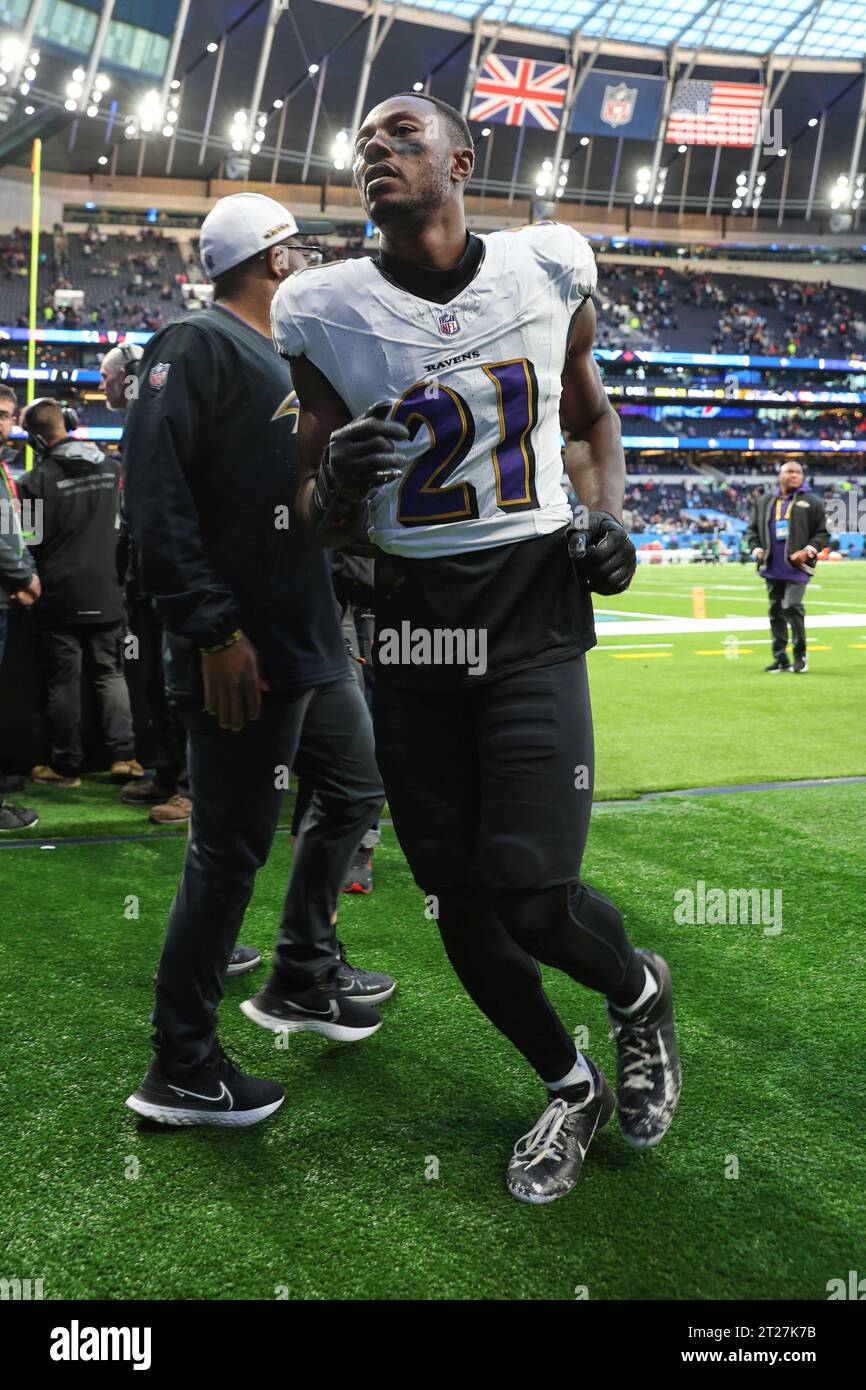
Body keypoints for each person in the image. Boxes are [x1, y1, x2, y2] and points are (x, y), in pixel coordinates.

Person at [271, 92, 681, 1204]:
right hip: (409, 625)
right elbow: (317, 511)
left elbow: (590, 422)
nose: (375, 150)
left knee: (531, 890)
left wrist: (612, 522)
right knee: (456, 899)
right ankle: (566, 1081)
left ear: (462, 157)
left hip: (530, 606)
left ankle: (638, 994)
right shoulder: (319, 306)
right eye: (363, 142)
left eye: (401, 134)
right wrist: (334, 487)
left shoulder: (548, 267)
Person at [123, 193, 389, 1129]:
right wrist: (212, 633)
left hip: (311, 642)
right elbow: (155, 504)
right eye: (300, 248)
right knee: (228, 850)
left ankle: (302, 977)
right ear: (275, 261)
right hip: (242, 652)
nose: (310, 260)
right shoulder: (195, 345)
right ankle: (181, 1064)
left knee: (355, 792)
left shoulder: (288, 356)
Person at [17, 398, 142, 788]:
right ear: (68, 423)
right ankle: (125, 758)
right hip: (108, 593)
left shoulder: (32, 482)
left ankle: (66, 767)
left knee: (63, 680)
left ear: (37, 439)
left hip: (59, 596)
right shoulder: (112, 469)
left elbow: (29, 542)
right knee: (110, 674)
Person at [101, 342, 192, 826]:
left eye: (107, 378)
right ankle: (167, 771)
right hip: (144, 576)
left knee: (181, 684)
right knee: (156, 684)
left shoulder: (155, 417)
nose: (102, 386)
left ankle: (192, 788)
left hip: (167, 575)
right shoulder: (136, 422)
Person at [0, 385, 40, 829]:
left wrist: (25, 569)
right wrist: (24, 576)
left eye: (8, 414)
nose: (3, 420)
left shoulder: (10, 473)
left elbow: (22, 532)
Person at [747, 459, 829, 674]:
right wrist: (756, 550)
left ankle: (800, 654)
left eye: (798, 472)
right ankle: (780, 657)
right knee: (775, 611)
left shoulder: (812, 502)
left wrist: (807, 551)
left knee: (791, 607)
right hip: (771, 565)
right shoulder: (765, 501)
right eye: (789, 471)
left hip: (798, 567)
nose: (794, 475)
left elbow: (822, 533)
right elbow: (752, 532)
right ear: (780, 475)